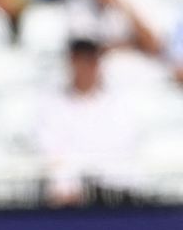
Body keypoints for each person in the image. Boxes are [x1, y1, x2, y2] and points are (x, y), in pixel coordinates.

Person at [36, 38, 143, 207]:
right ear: (70, 64)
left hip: (114, 197)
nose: (84, 69)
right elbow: (51, 153)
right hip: (69, 201)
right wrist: (68, 186)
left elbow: (122, 151)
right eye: (79, 61)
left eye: (89, 61)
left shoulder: (119, 106)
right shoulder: (51, 107)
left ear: (97, 64)